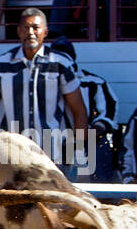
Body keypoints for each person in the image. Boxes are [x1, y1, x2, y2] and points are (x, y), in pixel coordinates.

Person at [0, 9, 89, 167]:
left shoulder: (60, 64)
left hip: (53, 152)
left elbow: (79, 110)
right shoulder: (0, 64)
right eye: (25, 28)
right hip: (11, 153)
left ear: (45, 32)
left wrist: (78, 149)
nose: (30, 32)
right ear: (18, 31)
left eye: (35, 27)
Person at [49, 36, 119, 181]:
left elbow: (109, 110)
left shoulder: (92, 82)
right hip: (53, 145)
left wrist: (93, 131)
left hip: (88, 144)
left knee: (93, 191)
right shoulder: (41, 85)